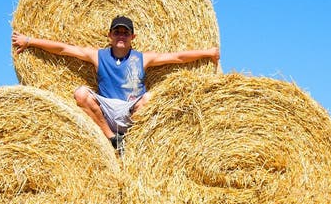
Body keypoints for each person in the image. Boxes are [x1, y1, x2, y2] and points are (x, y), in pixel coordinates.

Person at [12, 15, 220, 147]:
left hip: (132, 110)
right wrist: (29, 42)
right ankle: (112, 138)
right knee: (81, 93)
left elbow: (178, 57)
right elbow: (64, 49)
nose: (121, 35)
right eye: (117, 32)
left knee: (150, 98)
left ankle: (134, 140)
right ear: (110, 35)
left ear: (132, 37)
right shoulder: (98, 55)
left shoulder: (143, 58)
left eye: (125, 33)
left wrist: (208, 53)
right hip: (107, 109)